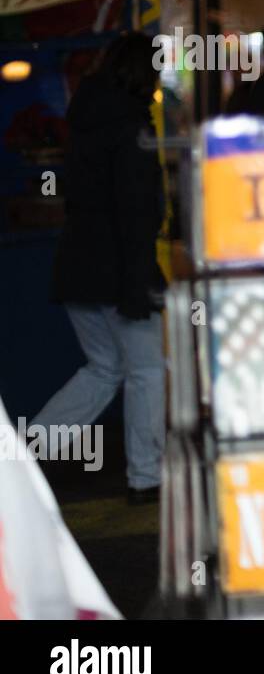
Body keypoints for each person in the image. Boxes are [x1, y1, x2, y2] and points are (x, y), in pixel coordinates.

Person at [39, 33, 166, 503]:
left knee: (104, 368)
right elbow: (135, 213)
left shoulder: (87, 117)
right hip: (118, 270)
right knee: (148, 370)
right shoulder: (131, 127)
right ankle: (147, 475)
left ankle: (30, 450)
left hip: (77, 264)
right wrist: (139, 285)